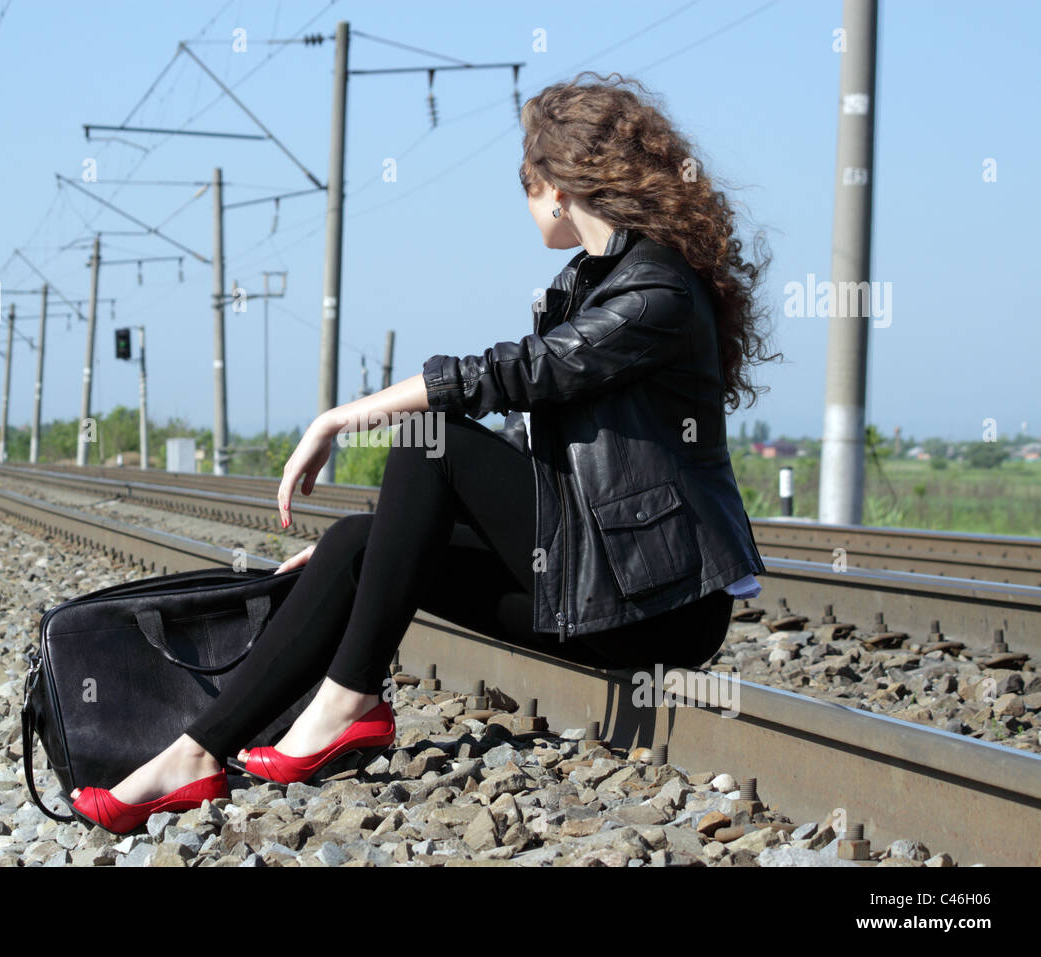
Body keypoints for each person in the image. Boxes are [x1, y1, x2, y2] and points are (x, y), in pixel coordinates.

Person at [70, 70, 780, 835]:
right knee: (353, 543)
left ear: (556, 185)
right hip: (600, 574)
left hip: (663, 607)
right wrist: (387, 548)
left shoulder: (655, 295)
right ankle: (197, 753)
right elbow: (541, 453)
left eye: (525, 179)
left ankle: (348, 702)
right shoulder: (588, 283)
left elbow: (512, 376)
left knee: (428, 438)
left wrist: (343, 416)